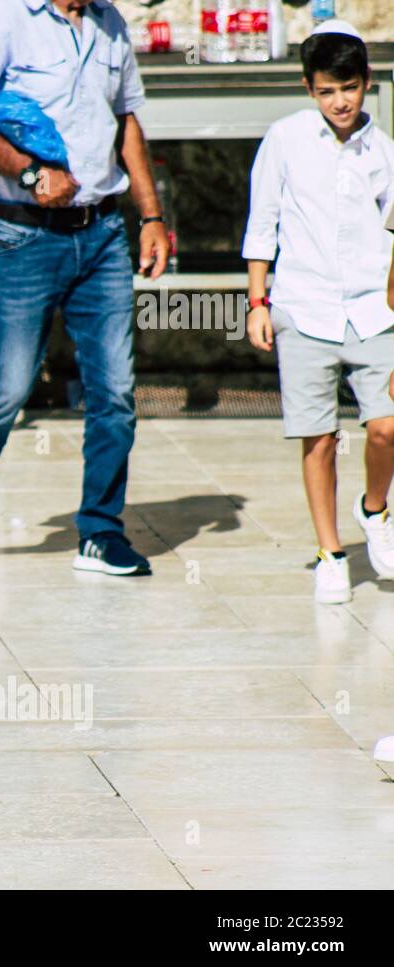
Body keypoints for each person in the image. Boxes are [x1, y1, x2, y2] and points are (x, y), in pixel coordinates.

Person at [0, 0, 171, 576]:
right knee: (8, 387)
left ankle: (101, 531)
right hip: (23, 236)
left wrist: (151, 214)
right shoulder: (1, 19)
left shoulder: (109, 22)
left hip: (104, 231)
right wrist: (30, 173)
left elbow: (126, 117)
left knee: (115, 393)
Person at [244, 21, 394, 605]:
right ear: (310, 89)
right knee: (319, 437)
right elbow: (263, 222)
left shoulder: (383, 151)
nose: (340, 101)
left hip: (373, 314)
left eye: (349, 88)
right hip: (302, 309)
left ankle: (374, 510)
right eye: (328, 90)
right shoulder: (283, 140)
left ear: (366, 84)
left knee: (385, 426)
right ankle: (331, 553)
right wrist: (258, 302)